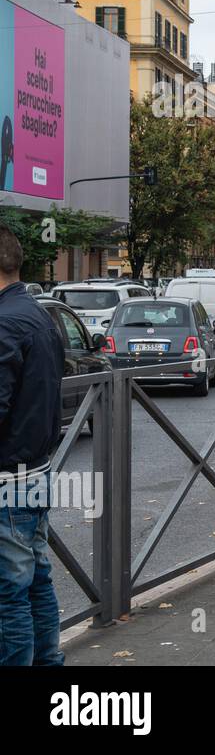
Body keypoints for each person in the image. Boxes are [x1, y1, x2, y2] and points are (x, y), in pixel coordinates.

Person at [0, 225, 66, 665]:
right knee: (36, 579)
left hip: (8, 478)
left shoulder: (5, 321)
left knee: (8, 597)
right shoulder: (39, 312)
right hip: (36, 469)